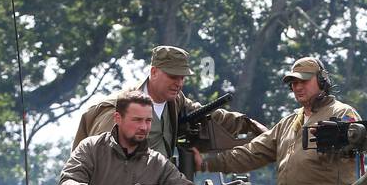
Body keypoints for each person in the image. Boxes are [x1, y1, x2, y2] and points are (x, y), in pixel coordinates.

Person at [192, 57, 362, 185]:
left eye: (304, 81)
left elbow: (360, 146)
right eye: (294, 83)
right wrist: (206, 163)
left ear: (322, 81)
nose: (297, 87)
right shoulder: (288, 123)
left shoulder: (342, 113)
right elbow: (252, 153)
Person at [73, 46, 264, 162]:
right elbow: (95, 159)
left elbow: (210, 117)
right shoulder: (117, 111)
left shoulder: (175, 100)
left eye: (182, 77)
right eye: (173, 76)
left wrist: (251, 126)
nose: (179, 83)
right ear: (154, 72)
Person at [59, 90, 195, 185]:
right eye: (137, 120)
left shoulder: (158, 163)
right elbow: (67, 181)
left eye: (148, 121)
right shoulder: (91, 148)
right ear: (118, 118)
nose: (144, 127)